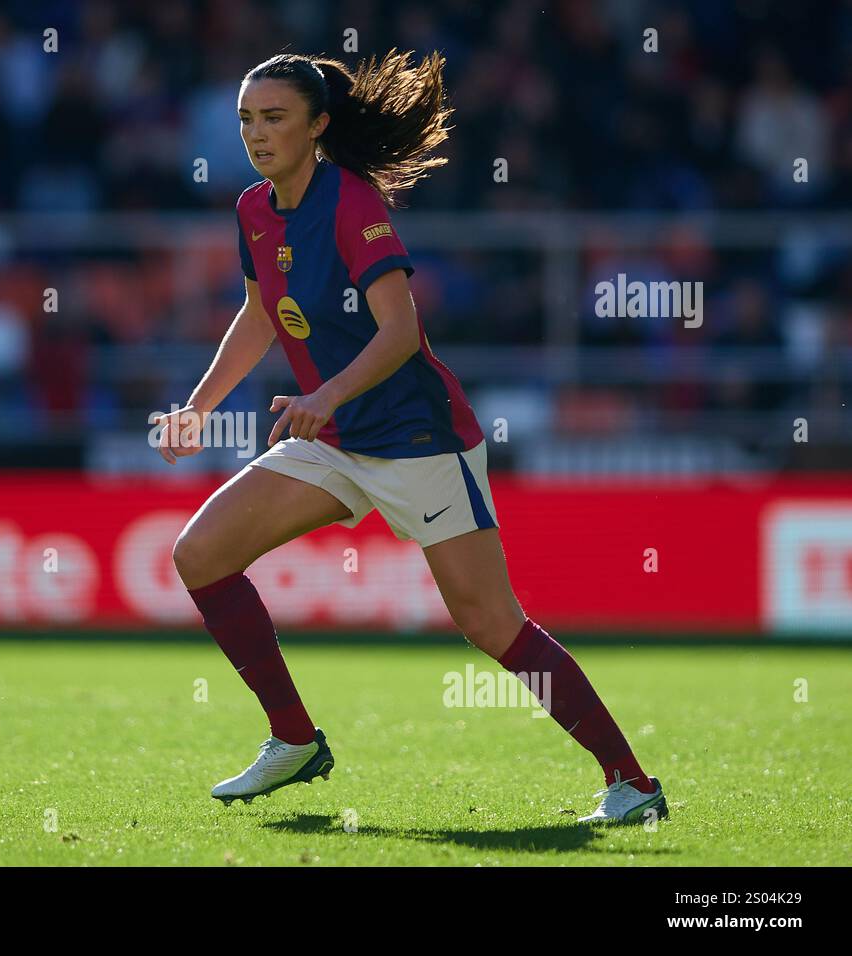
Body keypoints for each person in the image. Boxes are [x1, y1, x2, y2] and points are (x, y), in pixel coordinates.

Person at [151, 50, 667, 825]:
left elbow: (401, 331)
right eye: (247, 120)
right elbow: (261, 315)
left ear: (318, 125)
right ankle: (293, 740)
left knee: (493, 627)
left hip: (417, 437)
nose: (257, 135)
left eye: (275, 118)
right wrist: (197, 406)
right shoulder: (253, 209)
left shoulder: (352, 202)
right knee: (200, 553)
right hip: (333, 436)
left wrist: (323, 395)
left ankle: (633, 785)